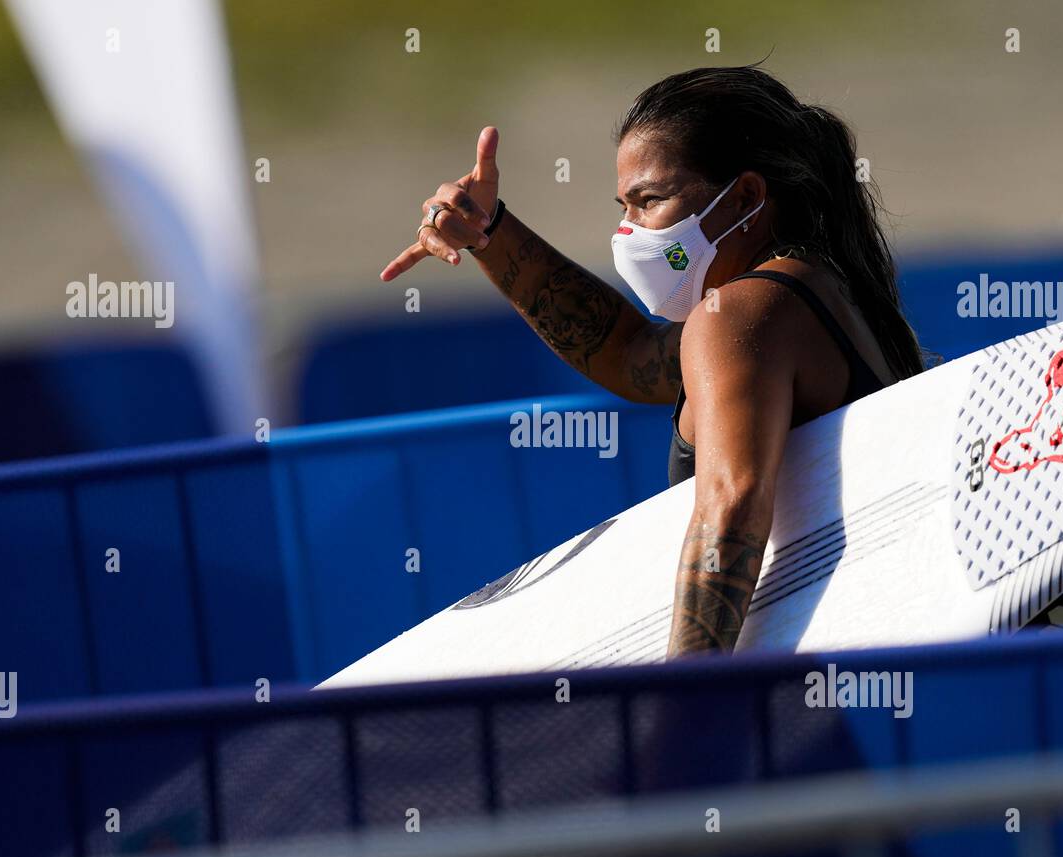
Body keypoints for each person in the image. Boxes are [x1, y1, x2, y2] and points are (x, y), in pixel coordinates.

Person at [381, 64, 931, 659]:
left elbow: (731, 504)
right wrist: (490, 235)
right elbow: (631, 353)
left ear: (745, 197)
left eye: (650, 201)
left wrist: (683, 703)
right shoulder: (812, 289)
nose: (628, 232)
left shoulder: (738, 313)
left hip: (810, 679)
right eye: (624, 205)